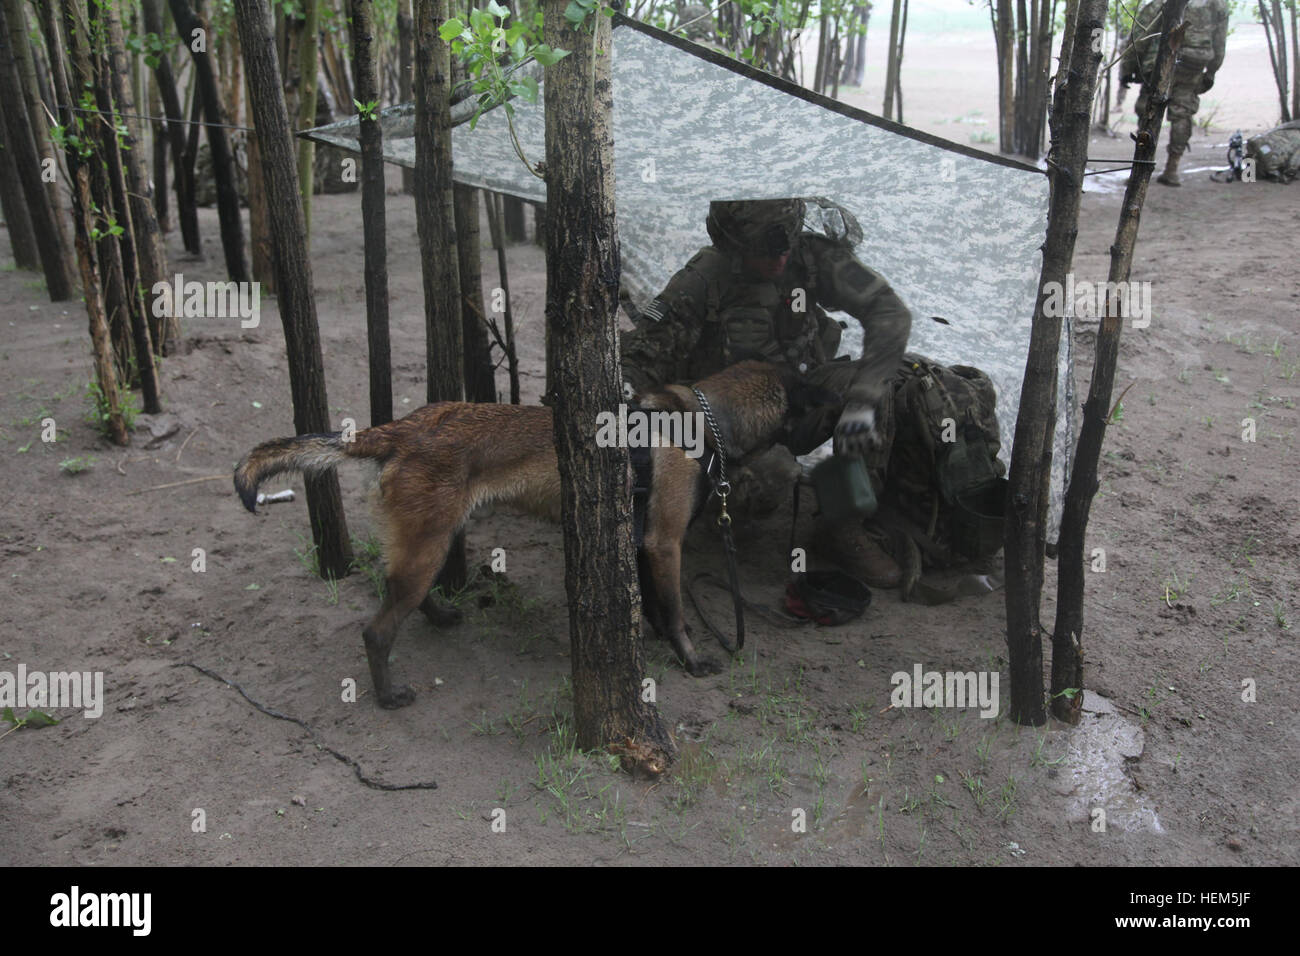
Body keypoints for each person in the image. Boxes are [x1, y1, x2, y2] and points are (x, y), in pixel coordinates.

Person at [620, 198, 913, 586]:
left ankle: (842, 527)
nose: (779, 262)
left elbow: (889, 311)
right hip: (738, 430)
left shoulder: (809, 257)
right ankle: (702, 513)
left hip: (802, 397)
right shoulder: (705, 279)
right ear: (735, 250)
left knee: (881, 389)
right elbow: (642, 357)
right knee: (768, 483)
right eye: (765, 254)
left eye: (786, 249)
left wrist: (863, 399)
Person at [1120, 0, 1229, 186]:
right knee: (1182, 113)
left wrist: (1127, 67)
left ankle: (1140, 170)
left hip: (1160, 59)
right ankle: (1172, 169)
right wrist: (1212, 70)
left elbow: (1140, 33)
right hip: (1195, 61)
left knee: (1150, 110)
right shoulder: (1217, 3)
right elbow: (1220, 39)